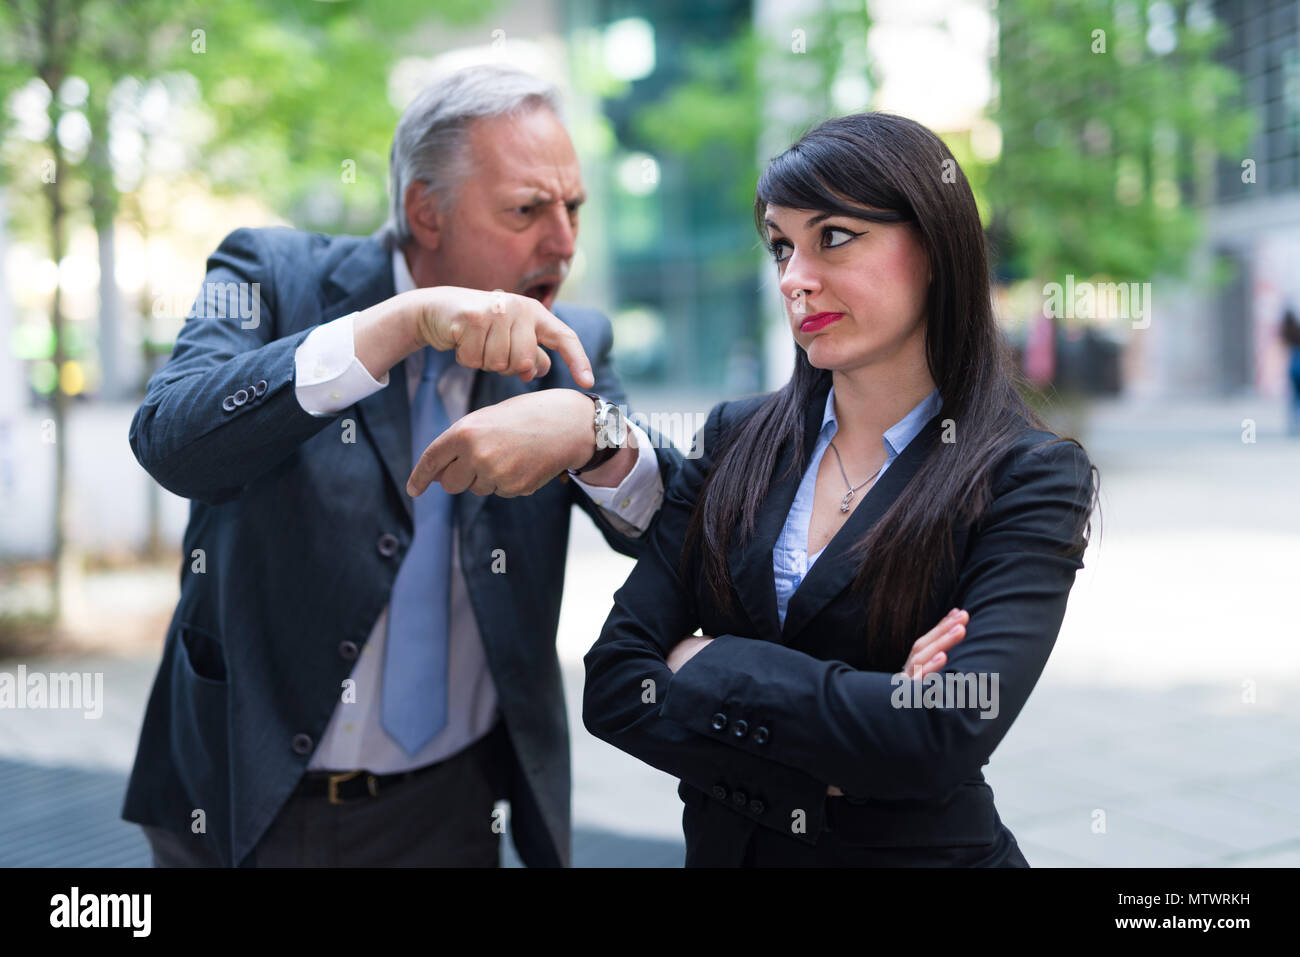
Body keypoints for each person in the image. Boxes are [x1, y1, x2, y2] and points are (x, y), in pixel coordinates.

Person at [123, 65, 682, 867]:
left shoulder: (572, 342)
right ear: (427, 210)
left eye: (574, 208)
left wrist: (593, 430)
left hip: (451, 808)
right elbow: (171, 438)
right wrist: (398, 327)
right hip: (238, 794)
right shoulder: (269, 274)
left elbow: (667, 522)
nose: (564, 241)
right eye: (527, 210)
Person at [583, 112, 1099, 867]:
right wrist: (870, 715)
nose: (795, 277)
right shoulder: (735, 441)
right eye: (782, 247)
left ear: (932, 247)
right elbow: (616, 685)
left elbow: (944, 730)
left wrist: (707, 661)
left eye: (833, 236)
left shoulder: (1027, 475)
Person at [1281, 308, 1300, 436]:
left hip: (1293, 366)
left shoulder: (1287, 331)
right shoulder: (1297, 330)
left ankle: (1293, 424)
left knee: (1294, 398)